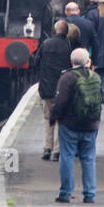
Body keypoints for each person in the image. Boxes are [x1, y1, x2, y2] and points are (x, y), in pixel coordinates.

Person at [50, 47, 102, 203]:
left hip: (69, 125)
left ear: (71, 61)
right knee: (88, 159)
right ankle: (90, 194)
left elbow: (60, 102)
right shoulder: (96, 77)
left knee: (67, 157)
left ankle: (65, 193)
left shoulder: (67, 78)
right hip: (91, 125)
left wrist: (54, 118)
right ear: (88, 61)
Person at [36, 19, 73, 161]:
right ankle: (57, 150)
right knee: (61, 119)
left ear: (55, 30)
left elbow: (36, 61)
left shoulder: (46, 43)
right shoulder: (69, 46)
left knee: (48, 118)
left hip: (46, 87)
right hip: (63, 88)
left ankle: (47, 147)